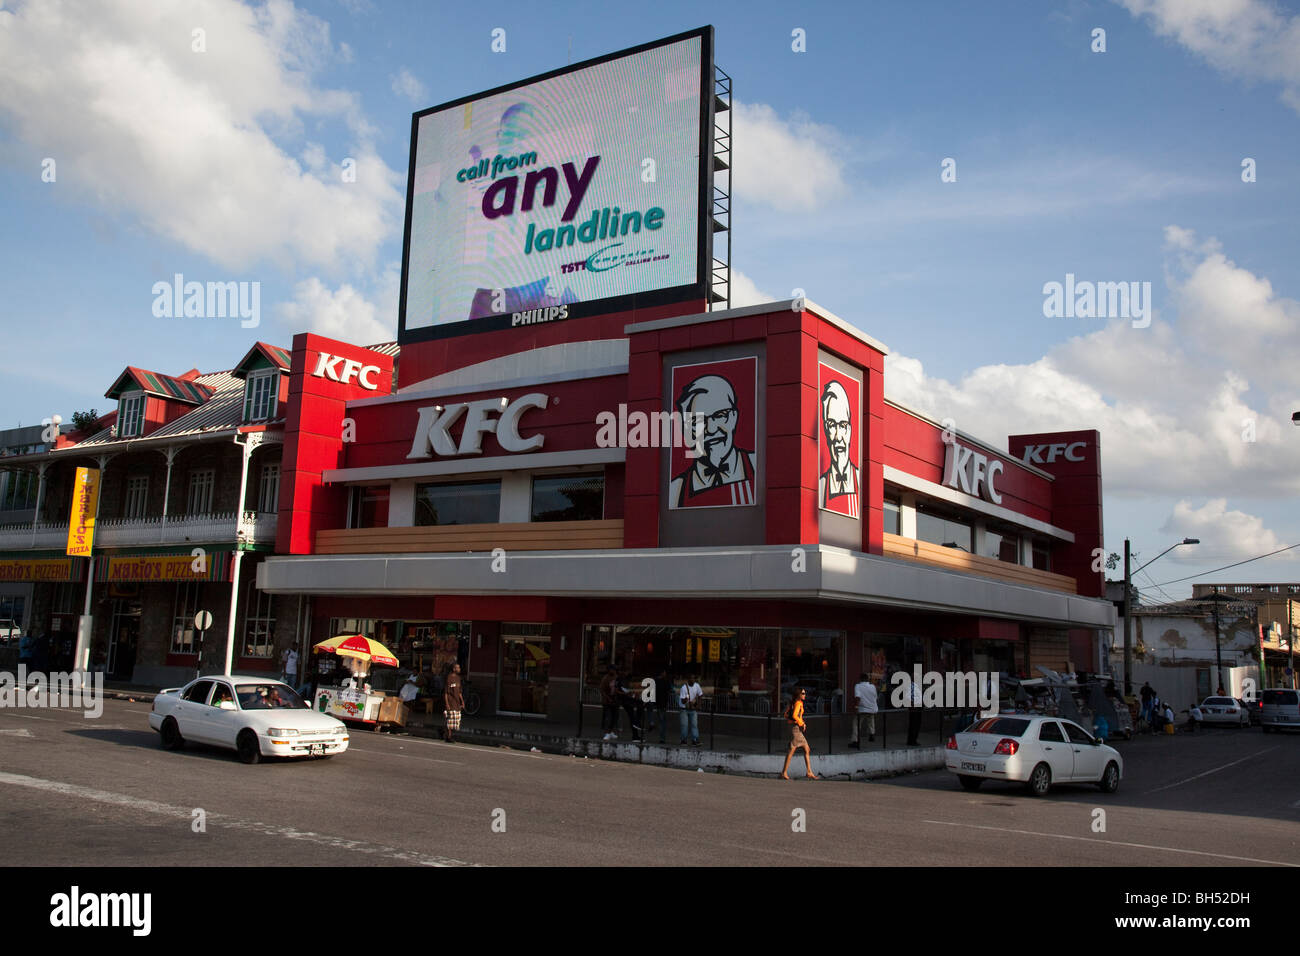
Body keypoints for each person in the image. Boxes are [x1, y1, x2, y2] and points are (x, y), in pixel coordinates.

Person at [780, 688, 818, 780]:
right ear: (799, 695)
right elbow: (794, 715)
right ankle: (784, 772)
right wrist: (802, 723)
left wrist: (798, 721)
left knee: (805, 749)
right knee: (794, 749)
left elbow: (785, 714)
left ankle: (808, 771)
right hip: (796, 729)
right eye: (803, 693)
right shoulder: (798, 703)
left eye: (805, 693)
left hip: (793, 727)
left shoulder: (792, 703)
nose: (805, 695)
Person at [849, 672, 877, 747]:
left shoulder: (858, 686)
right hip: (872, 708)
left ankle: (855, 741)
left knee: (856, 724)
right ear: (868, 679)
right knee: (871, 720)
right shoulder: (873, 686)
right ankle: (872, 733)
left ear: (860, 679)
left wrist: (856, 707)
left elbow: (857, 697)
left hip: (862, 709)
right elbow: (875, 697)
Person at [443, 663, 465, 742]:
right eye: (457, 667)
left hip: (457, 702)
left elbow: (459, 692)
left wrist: (462, 701)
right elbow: (446, 693)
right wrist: (447, 704)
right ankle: (449, 736)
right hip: (451, 702)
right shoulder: (449, 678)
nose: (459, 669)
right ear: (453, 669)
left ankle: (447, 734)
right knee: (449, 720)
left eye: (459, 667)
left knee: (456, 720)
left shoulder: (459, 678)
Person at [679, 673, 703, 746]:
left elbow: (700, 695)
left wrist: (698, 705)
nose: (692, 680)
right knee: (684, 725)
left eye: (693, 678)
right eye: (691, 678)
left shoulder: (697, 685)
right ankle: (683, 740)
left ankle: (695, 740)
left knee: (694, 725)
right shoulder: (684, 688)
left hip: (692, 708)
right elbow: (683, 701)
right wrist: (687, 697)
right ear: (688, 679)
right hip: (684, 708)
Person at [649, 668, 671, 744]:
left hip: (655, 703)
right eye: (664, 672)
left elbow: (649, 693)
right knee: (662, 722)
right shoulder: (666, 681)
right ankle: (662, 738)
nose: (665, 674)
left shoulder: (654, 681)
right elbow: (670, 690)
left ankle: (651, 723)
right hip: (663, 704)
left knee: (657, 718)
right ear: (662, 673)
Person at [600, 666, 620, 741]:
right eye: (611, 670)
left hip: (615, 701)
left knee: (615, 717)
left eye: (614, 670)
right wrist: (608, 698)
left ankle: (611, 731)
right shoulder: (606, 678)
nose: (613, 671)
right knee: (608, 717)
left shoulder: (617, 677)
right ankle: (607, 733)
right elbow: (602, 690)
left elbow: (619, 687)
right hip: (607, 701)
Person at [906, 671, 923, 745]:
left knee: (913, 724)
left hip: (914, 708)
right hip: (915, 708)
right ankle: (912, 740)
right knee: (915, 725)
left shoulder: (912, 686)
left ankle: (911, 740)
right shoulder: (913, 686)